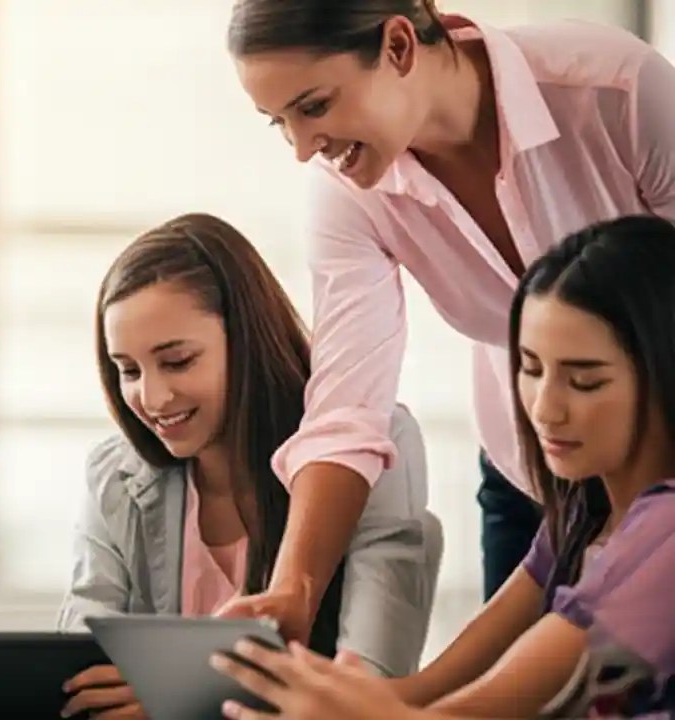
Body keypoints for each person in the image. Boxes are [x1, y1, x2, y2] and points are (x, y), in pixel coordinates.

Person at [218, 0, 675, 645]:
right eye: (279, 123)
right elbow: (347, 408)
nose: (301, 149)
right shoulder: (347, 192)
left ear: (399, 46)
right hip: (539, 483)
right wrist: (295, 587)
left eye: (314, 106)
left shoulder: (615, 91)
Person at [212, 215, 675, 718]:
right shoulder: (581, 514)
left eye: (584, 381)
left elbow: (466, 714)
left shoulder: (665, 526)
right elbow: (428, 694)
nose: (544, 409)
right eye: (530, 368)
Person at [58, 213, 442, 718]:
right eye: (128, 370)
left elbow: (370, 679)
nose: (151, 398)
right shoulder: (114, 475)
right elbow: (82, 669)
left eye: (177, 361)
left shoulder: (374, 444)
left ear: (247, 339)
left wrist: (180, 695)